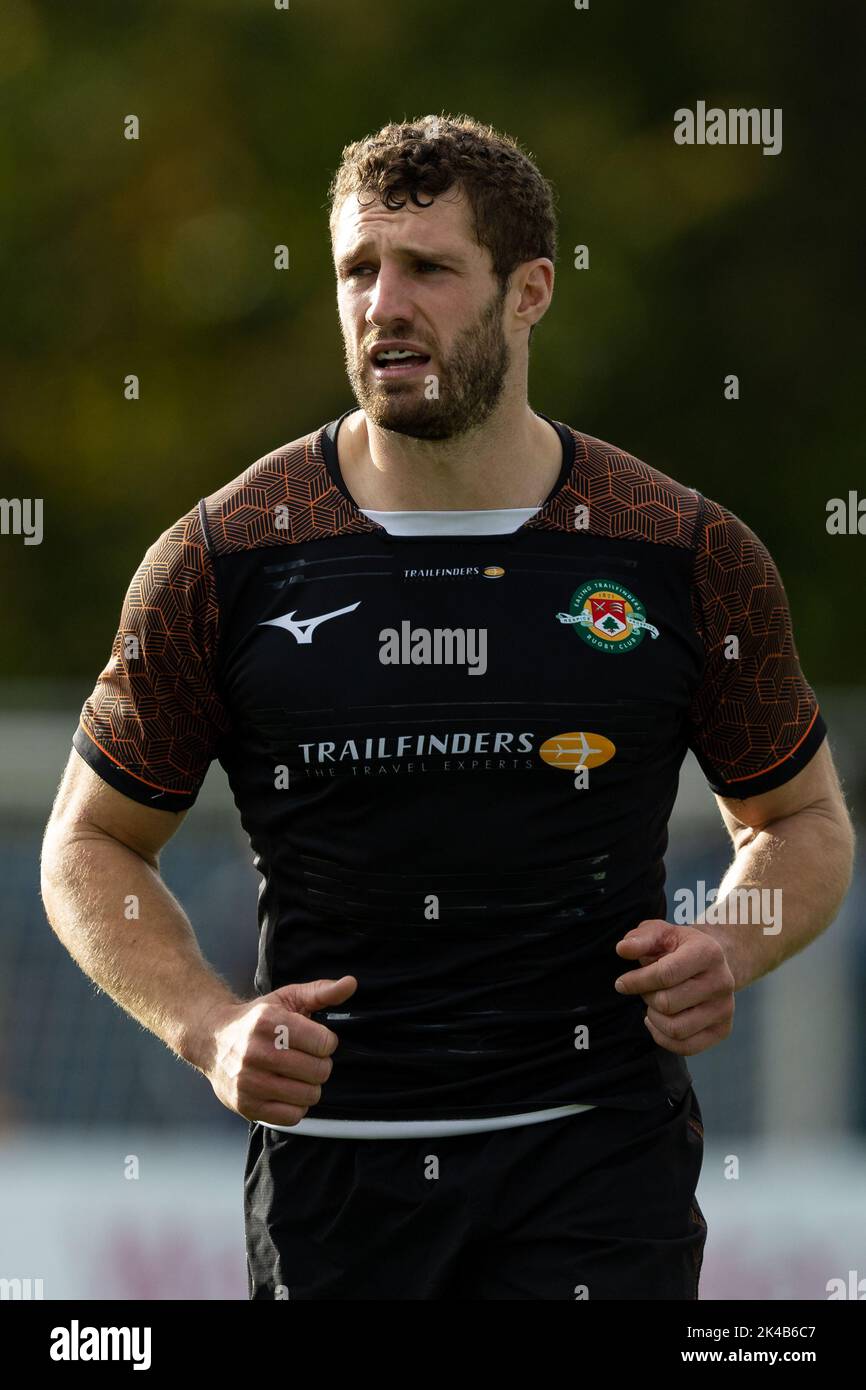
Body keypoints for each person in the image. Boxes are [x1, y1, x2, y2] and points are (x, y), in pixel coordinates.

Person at [40, 114, 854, 1300]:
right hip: (341, 1189)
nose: (383, 305)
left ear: (528, 292)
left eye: (427, 268)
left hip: (596, 1160)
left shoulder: (677, 551)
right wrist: (208, 1027)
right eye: (357, 270)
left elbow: (802, 820)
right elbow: (89, 841)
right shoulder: (227, 556)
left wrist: (728, 941)